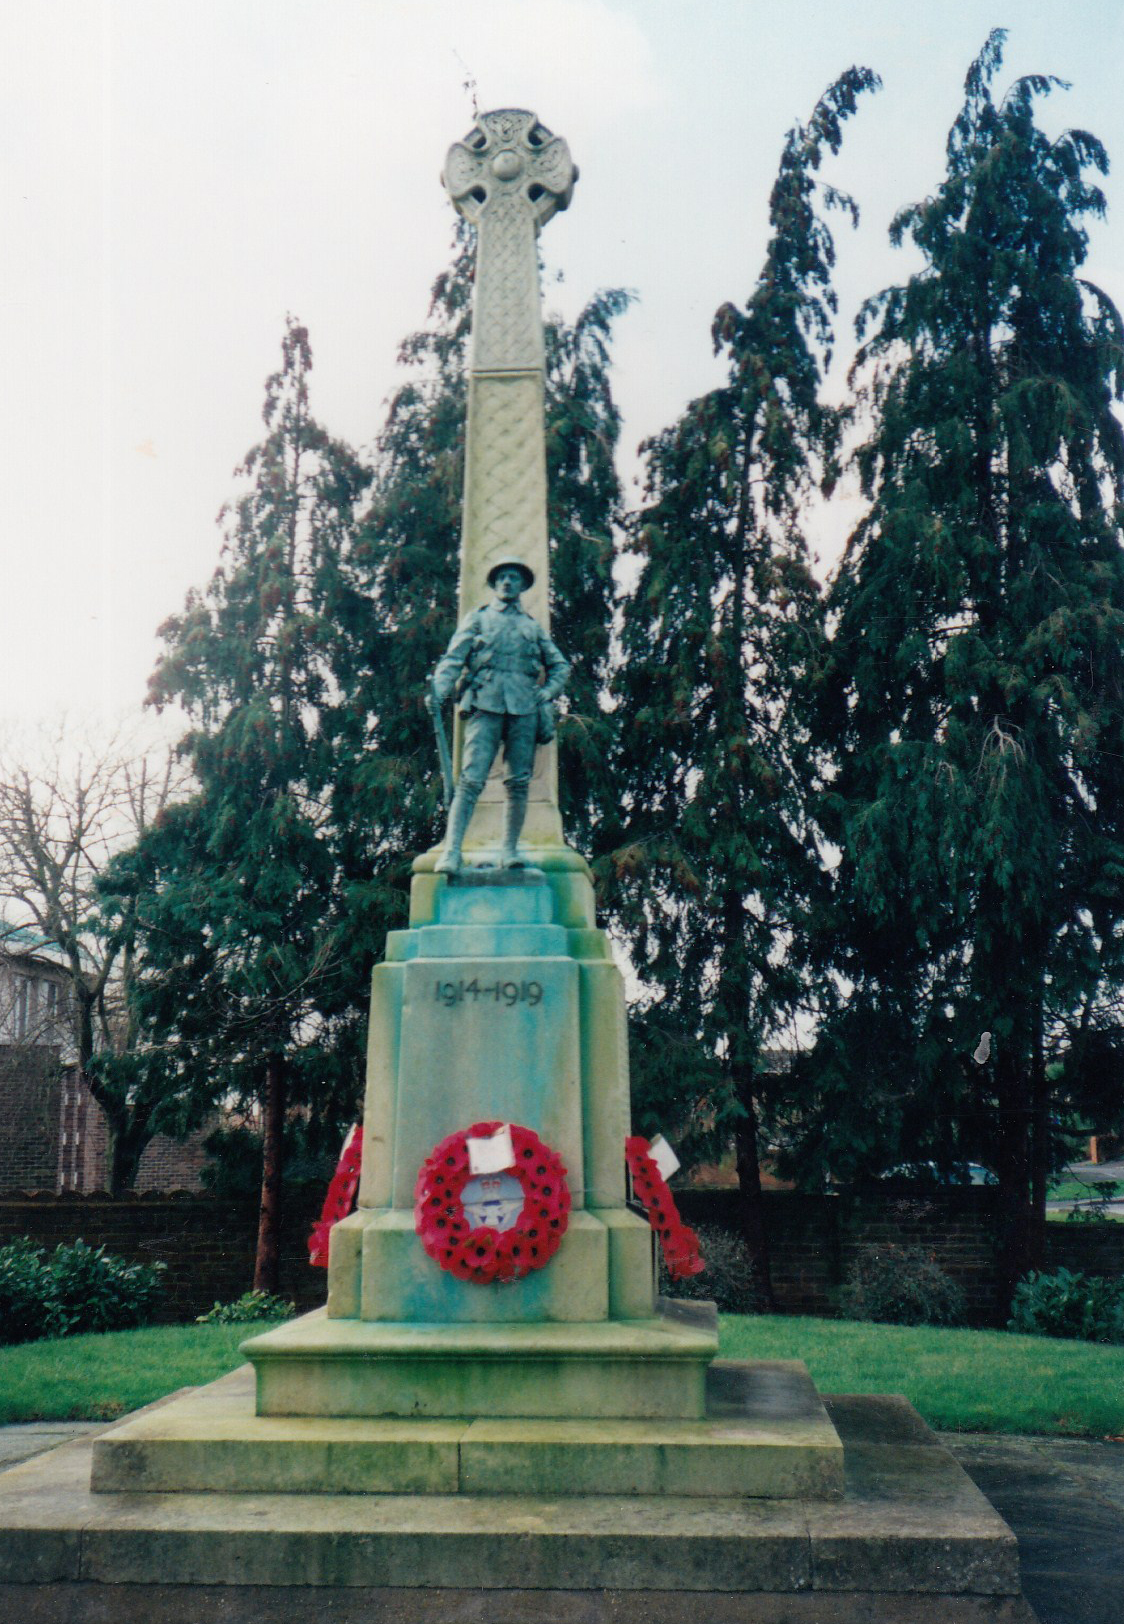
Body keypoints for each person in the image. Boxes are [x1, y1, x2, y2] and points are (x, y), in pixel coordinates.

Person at [427, 557, 569, 872]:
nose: (507, 582)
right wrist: (439, 690)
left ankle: (509, 850)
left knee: (518, 783)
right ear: (495, 584)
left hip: (524, 709)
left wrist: (547, 692)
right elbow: (454, 657)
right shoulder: (478, 619)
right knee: (470, 780)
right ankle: (452, 852)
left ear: (522, 586)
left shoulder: (531, 626)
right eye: (502, 577)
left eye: (514, 578)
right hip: (485, 704)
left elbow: (560, 665)